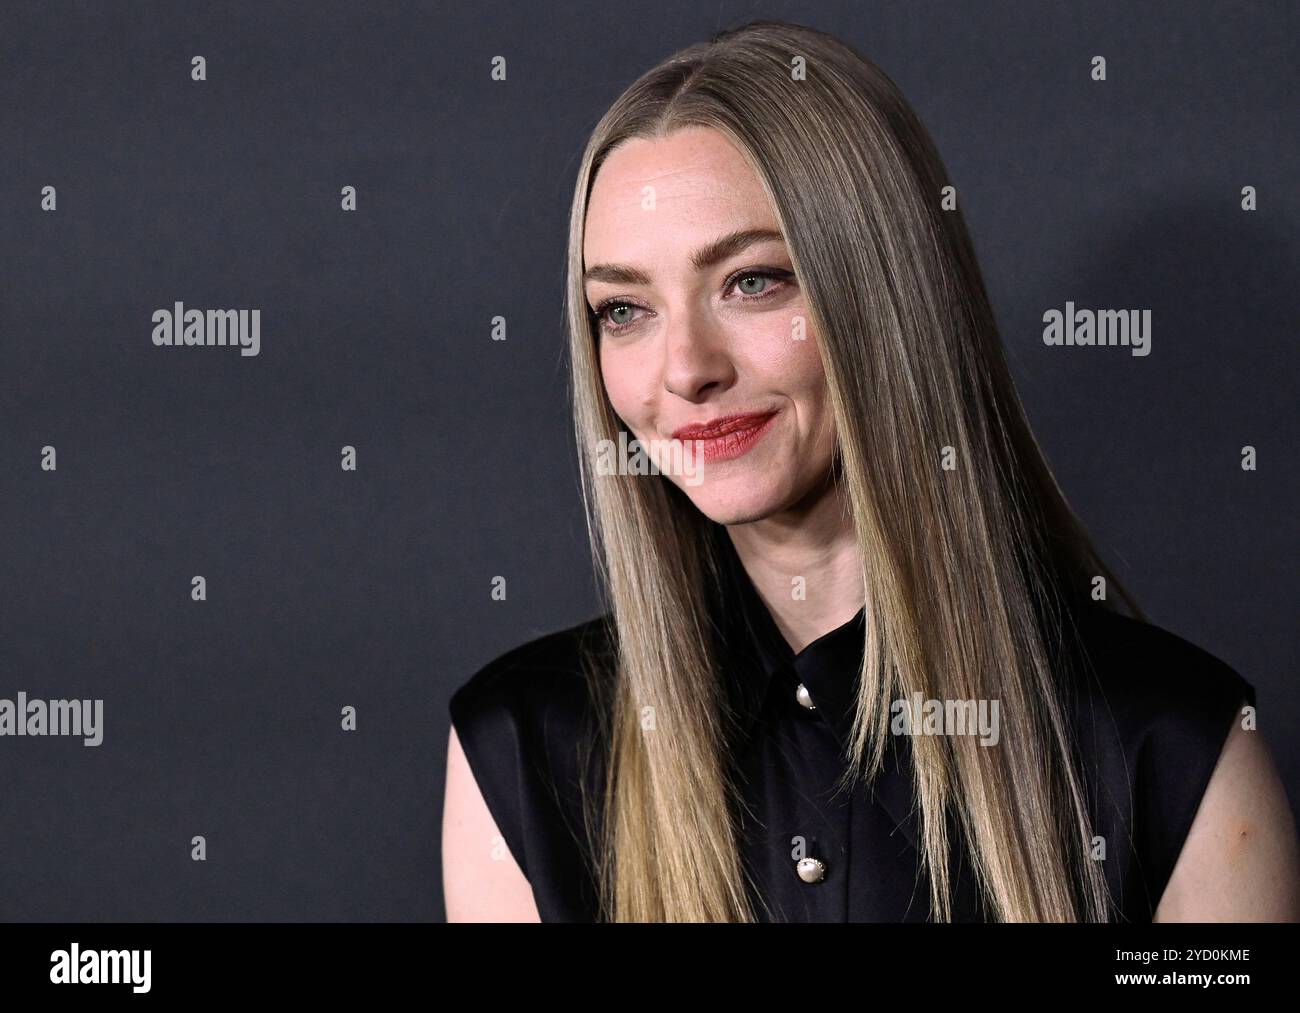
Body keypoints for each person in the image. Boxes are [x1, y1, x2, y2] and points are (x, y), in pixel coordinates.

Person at [442, 20, 1300, 922]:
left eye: (752, 281)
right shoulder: (526, 747)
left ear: (882, 295)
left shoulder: (1169, 749)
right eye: (624, 309)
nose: (685, 368)